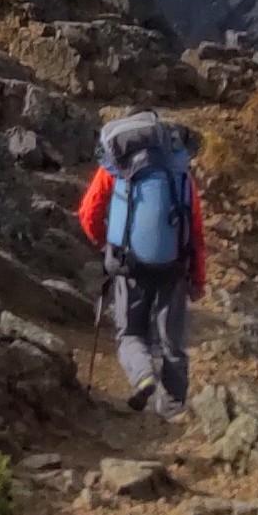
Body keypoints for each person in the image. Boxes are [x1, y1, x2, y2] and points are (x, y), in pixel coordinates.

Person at [76, 112, 207, 418]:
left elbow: (88, 213)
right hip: (173, 267)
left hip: (128, 265)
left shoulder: (115, 168)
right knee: (171, 342)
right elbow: (196, 232)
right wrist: (198, 280)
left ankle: (143, 375)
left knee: (131, 333)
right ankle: (174, 411)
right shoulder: (180, 173)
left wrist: (106, 244)